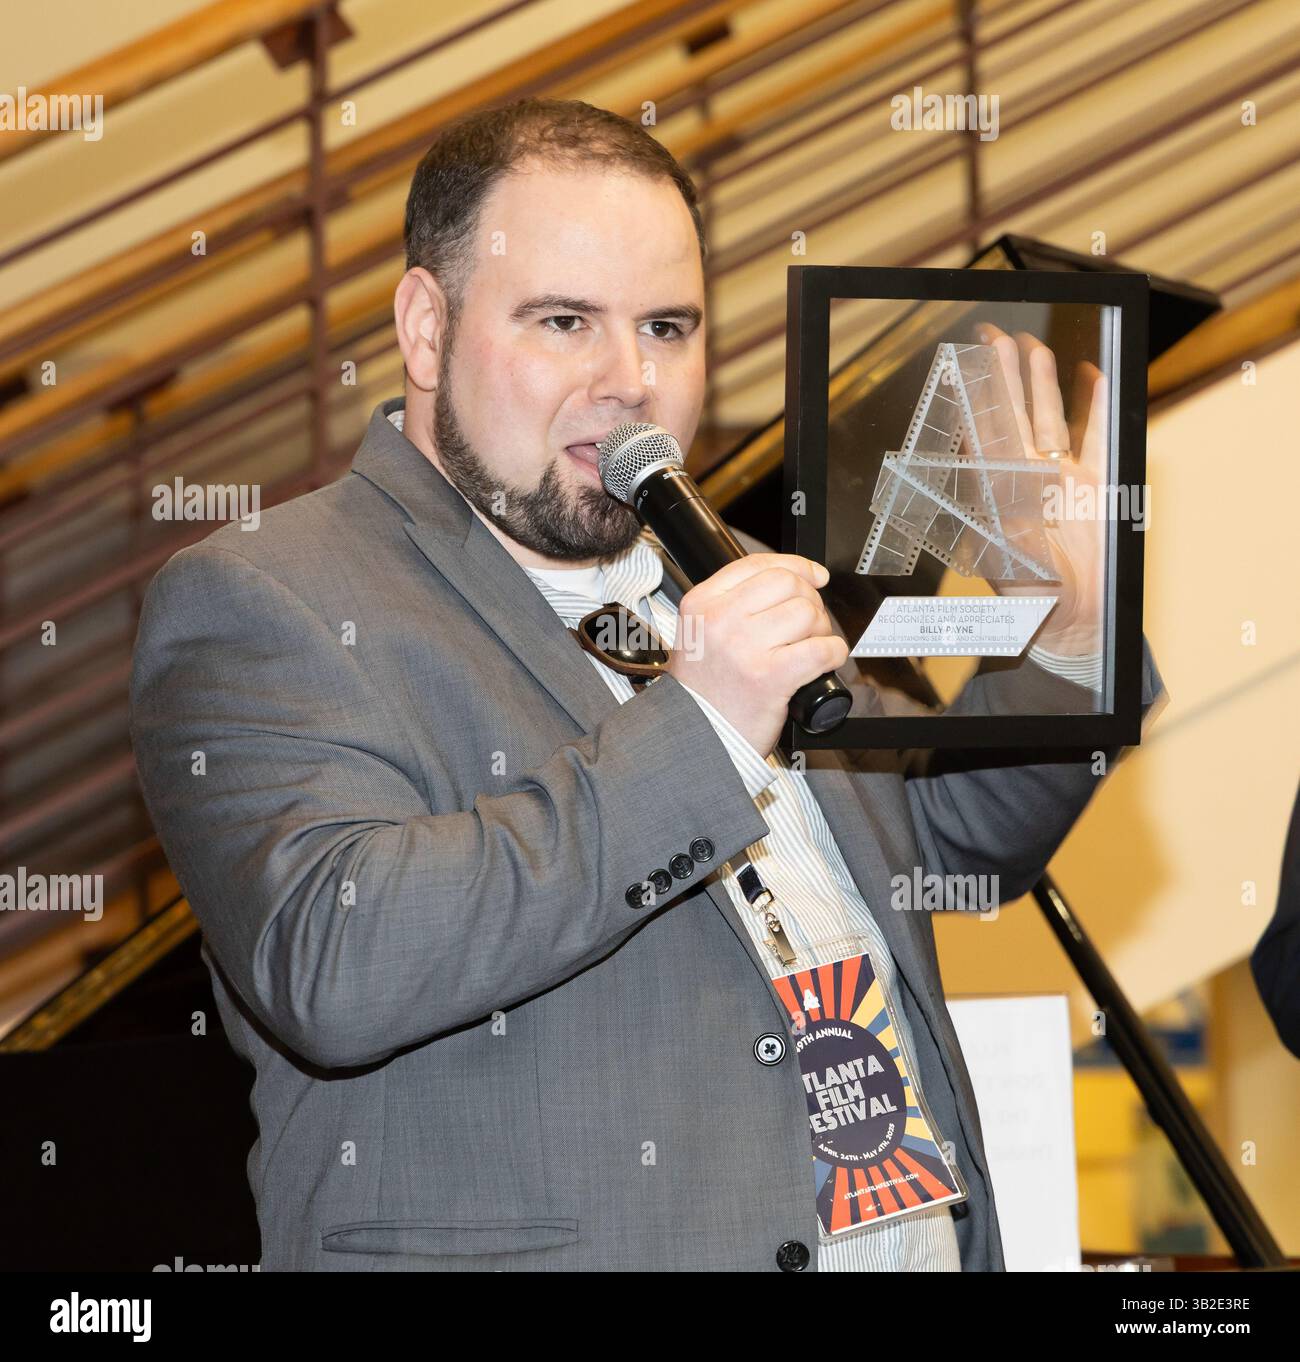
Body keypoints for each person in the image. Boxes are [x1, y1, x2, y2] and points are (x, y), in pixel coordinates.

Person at [129, 97, 1163, 1271]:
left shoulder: (708, 568)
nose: (631, 378)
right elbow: (336, 959)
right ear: (425, 328)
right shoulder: (270, 595)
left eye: (668, 325)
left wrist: (1074, 627)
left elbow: (948, 833)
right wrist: (706, 725)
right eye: (565, 319)